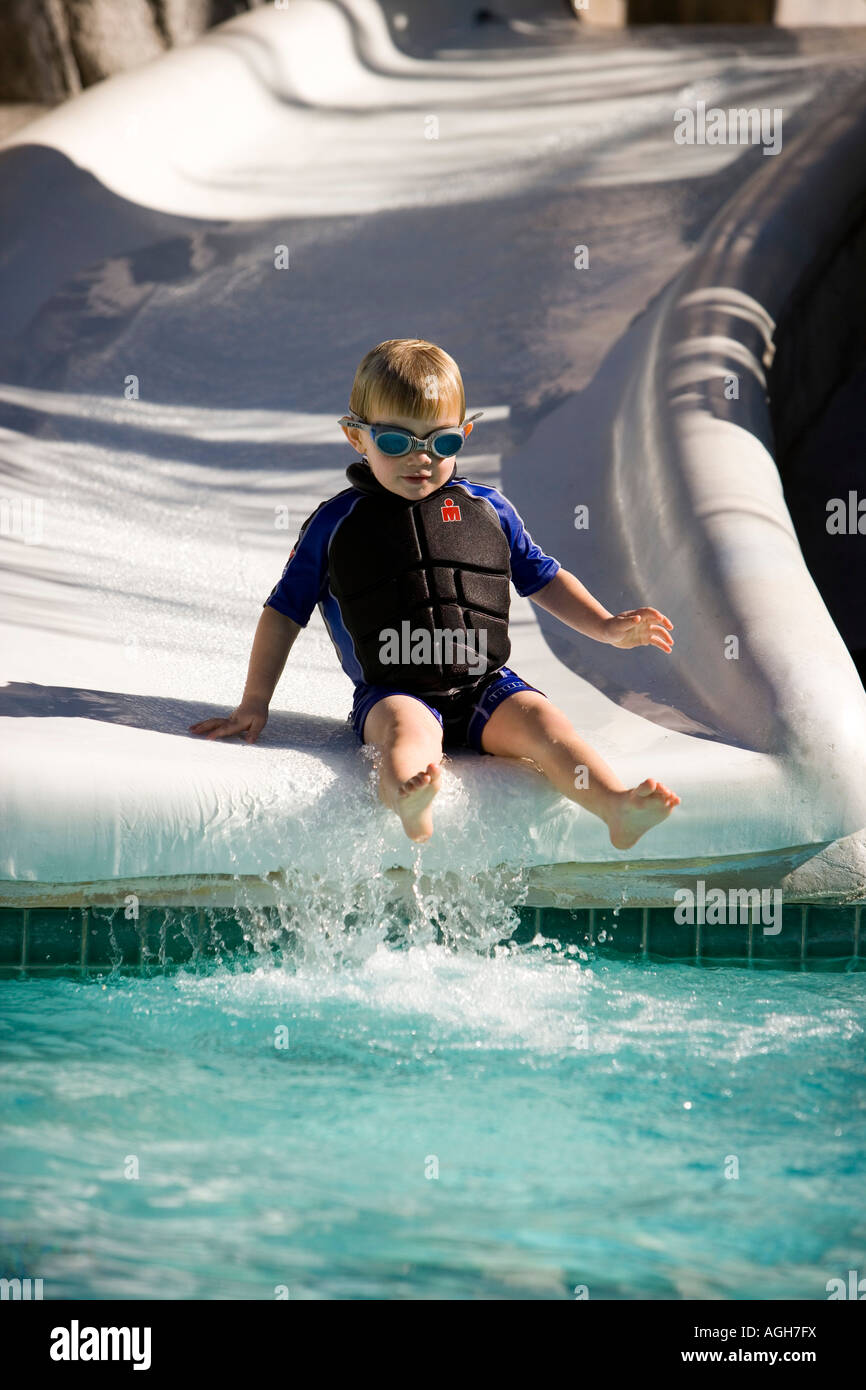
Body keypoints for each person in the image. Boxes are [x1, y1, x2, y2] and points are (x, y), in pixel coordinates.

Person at [190, 338, 680, 845]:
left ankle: (615, 806)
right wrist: (254, 702)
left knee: (546, 724)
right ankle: (409, 799)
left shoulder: (487, 509)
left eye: (441, 443)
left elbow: (543, 577)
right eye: (395, 442)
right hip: (392, 692)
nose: (420, 458)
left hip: (485, 685)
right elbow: (283, 612)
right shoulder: (336, 524)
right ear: (356, 437)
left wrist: (606, 626)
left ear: (464, 434)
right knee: (405, 733)